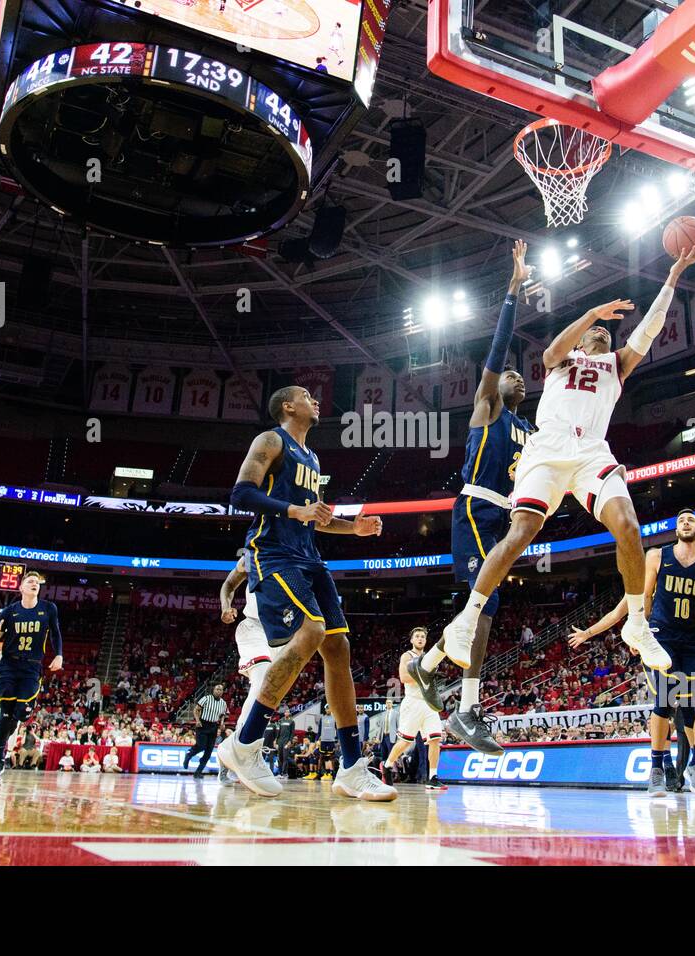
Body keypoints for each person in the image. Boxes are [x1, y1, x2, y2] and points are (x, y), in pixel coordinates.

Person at [434, 245, 695, 689]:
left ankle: (636, 622)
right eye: (594, 332)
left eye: (606, 333)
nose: (602, 335)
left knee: (630, 529)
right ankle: (467, 618)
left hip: (592, 453)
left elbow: (650, 330)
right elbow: (551, 351)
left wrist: (672, 277)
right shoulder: (563, 361)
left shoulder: (617, 366)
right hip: (548, 450)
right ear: (582, 339)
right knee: (520, 534)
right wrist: (593, 311)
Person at [217, 386, 396, 801]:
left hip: (309, 556)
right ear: (287, 405)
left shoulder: (312, 458)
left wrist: (352, 528)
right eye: (307, 395)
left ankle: (352, 768)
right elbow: (241, 494)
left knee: (339, 649)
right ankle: (244, 744)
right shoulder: (270, 440)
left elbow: (315, 517)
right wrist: (291, 510)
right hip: (273, 553)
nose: (317, 400)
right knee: (311, 631)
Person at [409, 241, 533, 754]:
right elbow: (497, 352)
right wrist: (512, 292)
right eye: (510, 373)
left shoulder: (527, 427)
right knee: (485, 606)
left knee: (481, 607)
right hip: (475, 507)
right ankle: (466, 710)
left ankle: (429, 666)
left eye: (523, 374)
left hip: (503, 516)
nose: (517, 374)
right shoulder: (487, 409)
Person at [571, 509, 695, 796]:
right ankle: (657, 770)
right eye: (680, 520)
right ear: (676, 529)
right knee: (665, 701)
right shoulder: (656, 557)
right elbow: (637, 600)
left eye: (690, 520)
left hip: (692, 639)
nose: (685, 522)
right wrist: (598, 632)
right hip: (660, 637)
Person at [0, 572, 63, 775]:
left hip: (32, 666)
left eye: (37, 582)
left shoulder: (48, 608)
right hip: (9, 665)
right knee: (6, 712)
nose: (34, 584)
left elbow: (55, 633)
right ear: (21, 588)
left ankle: (18, 717)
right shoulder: (9, 611)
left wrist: (59, 655)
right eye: (30, 581)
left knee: (19, 713)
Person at [218, 551, 280, 736]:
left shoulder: (301, 554)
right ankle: (241, 741)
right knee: (262, 679)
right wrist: (225, 606)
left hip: (282, 634)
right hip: (255, 628)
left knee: (270, 692)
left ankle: (248, 746)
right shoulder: (252, 556)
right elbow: (229, 584)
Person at [380, 627, 447, 790]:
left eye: (423, 636)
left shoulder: (429, 658)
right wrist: (424, 675)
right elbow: (403, 678)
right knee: (404, 742)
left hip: (429, 702)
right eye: (417, 636)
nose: (420, 639)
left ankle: (432, 777)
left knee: (435, 739)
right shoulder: (407, 656)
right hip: (413, 702)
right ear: (411, 640)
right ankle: (387, 766)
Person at [185, 684, 227, 777]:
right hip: (203, 724)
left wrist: (222, 723)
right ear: (213, 690)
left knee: (209, 751)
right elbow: (196, 710)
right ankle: (189, 755)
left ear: (223, 692)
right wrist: (197, 720)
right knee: (201, 746)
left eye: (221, 689)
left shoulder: (223, 703)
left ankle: (198, 772)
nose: (219, 691)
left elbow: (223, 714)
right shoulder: (206, 698)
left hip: (213, 726)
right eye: (217, 689)